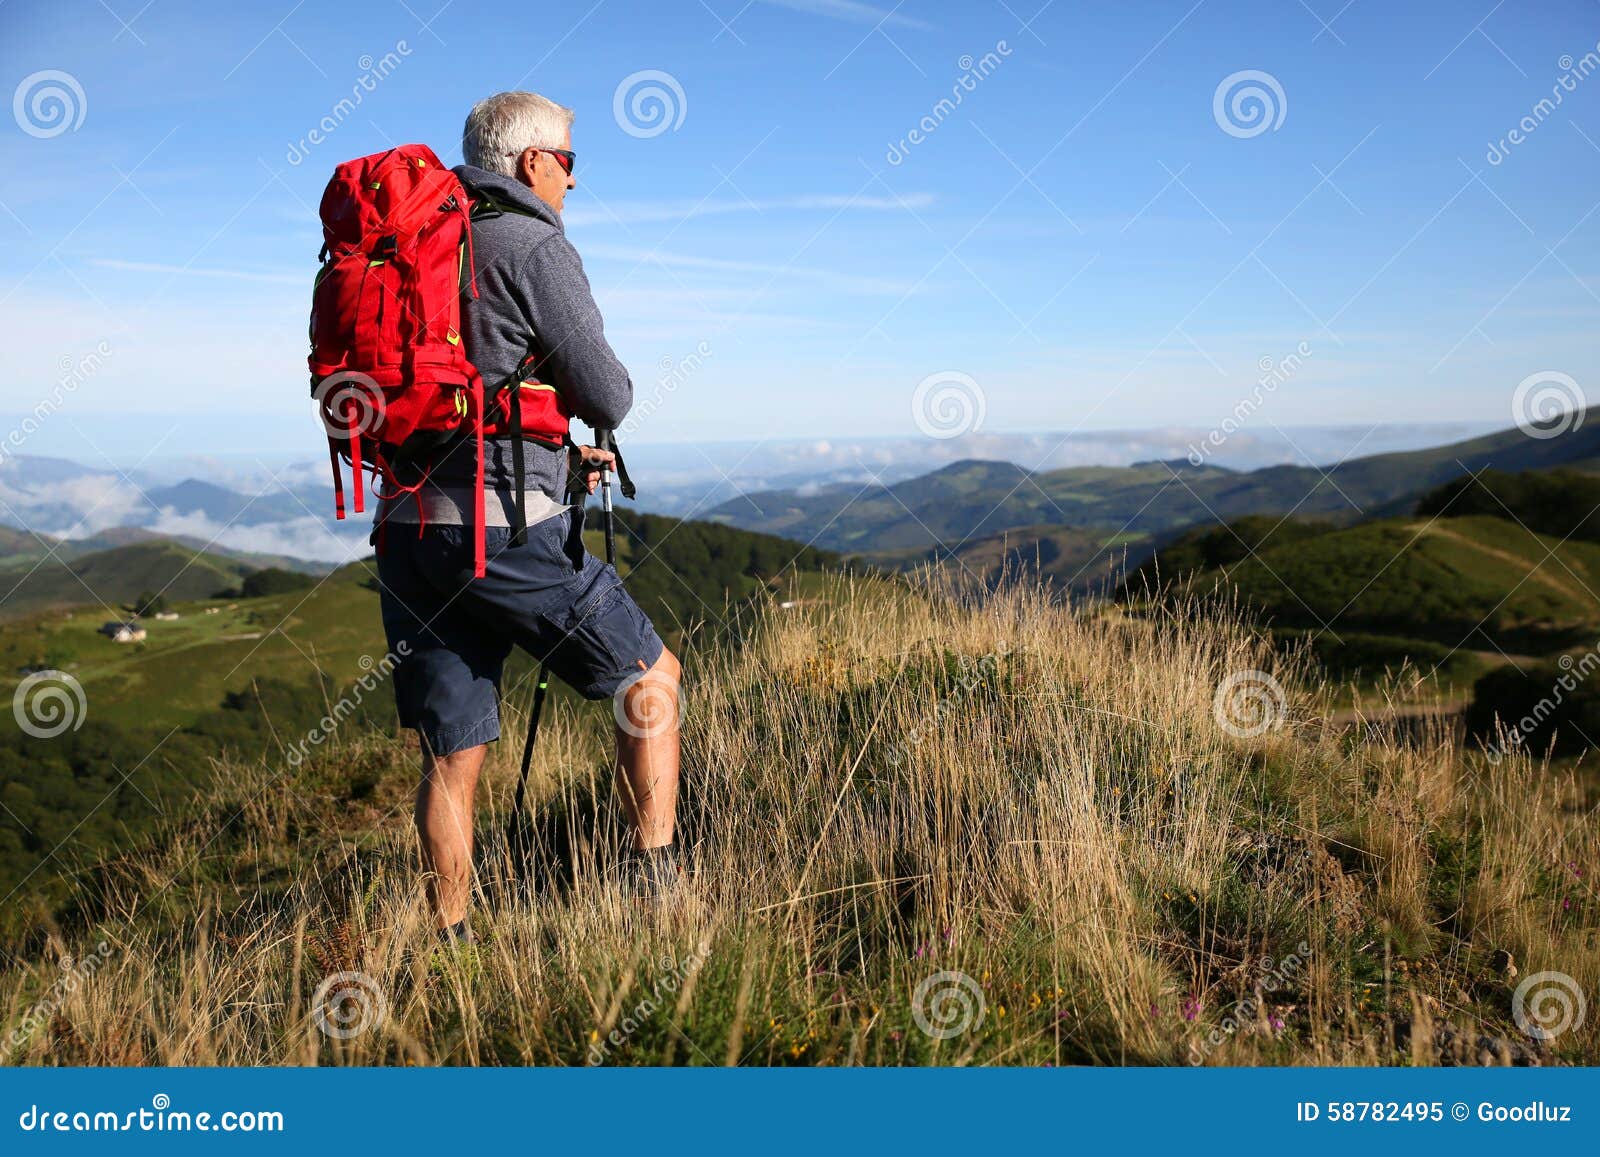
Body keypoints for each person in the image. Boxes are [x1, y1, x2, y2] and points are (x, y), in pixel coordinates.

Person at [371, 91, 683, 941]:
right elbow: (607, 393)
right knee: (651, 679)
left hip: (407, 527)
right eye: (569, 163)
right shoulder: (533, 243)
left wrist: (556, 457)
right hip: (502, 530)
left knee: (452, 751)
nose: (573, 182)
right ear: (533, 161)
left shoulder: (413, 242)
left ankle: (450, 944)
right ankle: (654, 895)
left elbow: (465, 398)